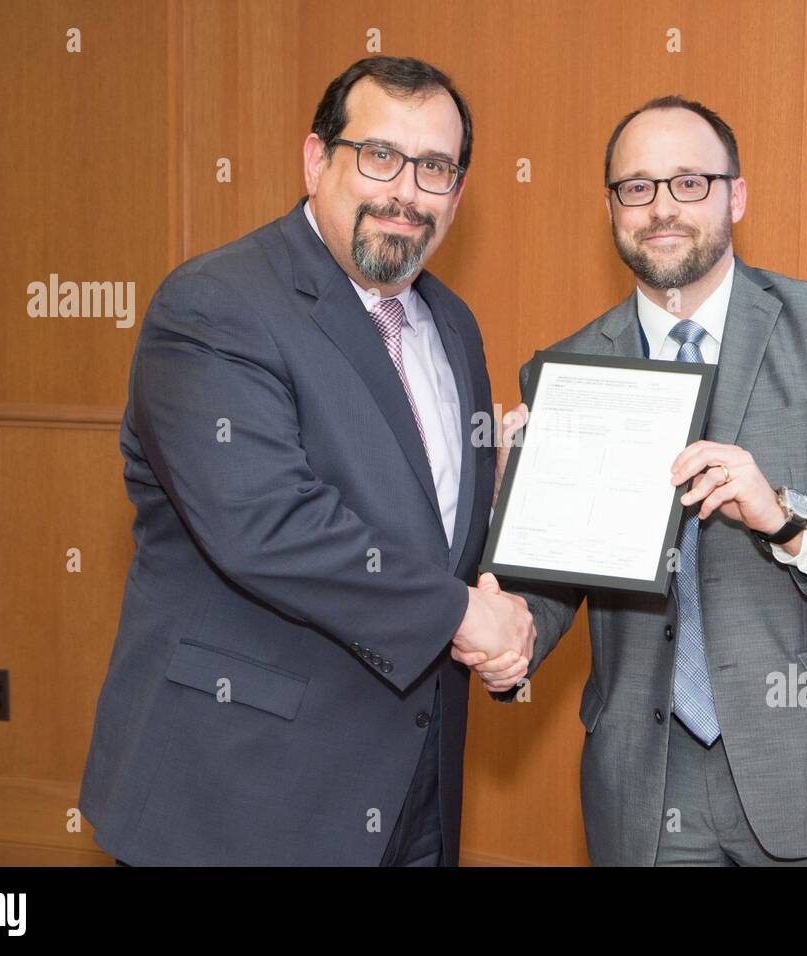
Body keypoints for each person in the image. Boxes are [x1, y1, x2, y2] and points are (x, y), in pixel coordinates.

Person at [464, 95, 807, 866]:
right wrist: (507, 612)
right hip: (648, 788)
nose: (662, 208)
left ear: (736, 195)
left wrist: (785, 517)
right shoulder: (566, 369)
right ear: (612, 206)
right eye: (637, 187)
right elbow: (559, 576)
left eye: (690, 182)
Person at [80, 55, 533, 866]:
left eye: (435, 168)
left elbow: (426, 527)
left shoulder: (452, 325)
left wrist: (508, 504)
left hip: (412, 795)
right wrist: (466, 615)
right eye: (379, 156)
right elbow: (266, 522)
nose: (406, 191)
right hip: (243, 800)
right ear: (315, 159)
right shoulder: (216, 304)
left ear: (459, 192)